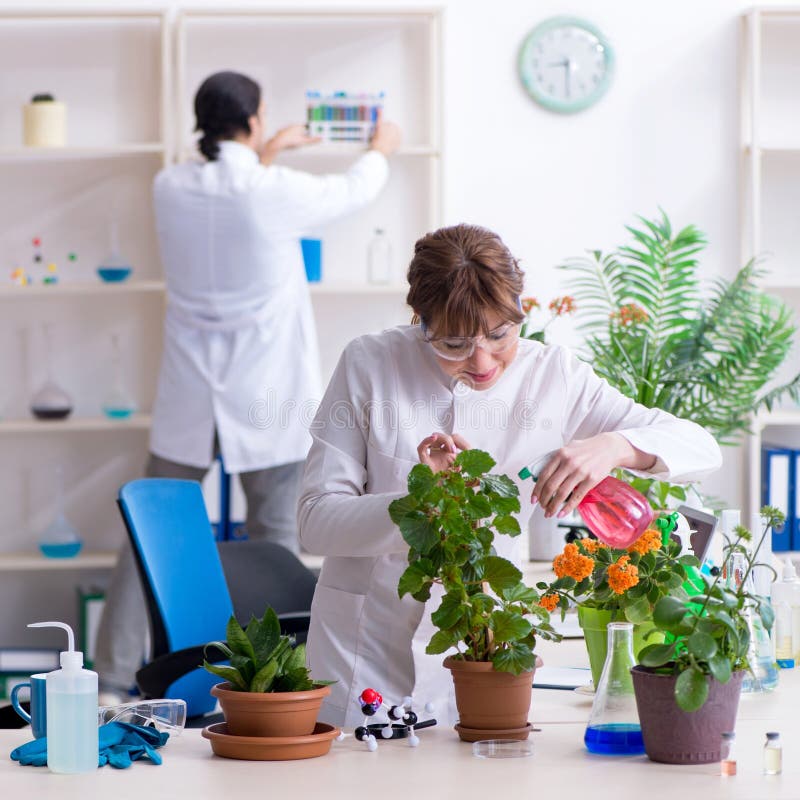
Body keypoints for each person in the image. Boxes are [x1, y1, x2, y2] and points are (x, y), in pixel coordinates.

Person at [298, 223, 723, 727]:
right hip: (364, 652)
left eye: (500, 335)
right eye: (453, 344)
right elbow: (315, 521)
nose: (482, 362)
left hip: (482, 652)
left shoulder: (554, 376)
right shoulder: (370, 363)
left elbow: (701, 445)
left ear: (521, 310)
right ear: (420, 321)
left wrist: (614, 446)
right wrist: (424, 503)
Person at [95, 70, 401, 700]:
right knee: (277, 539)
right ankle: (275, 687)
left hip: (190, 394)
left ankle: (110, 679)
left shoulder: (169, 185)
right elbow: (348, 191)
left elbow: (227, 187)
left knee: (149, 536)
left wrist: (265, 152)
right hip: (263, 395)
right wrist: (382, 147)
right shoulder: (272, 190)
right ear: (255, 120)